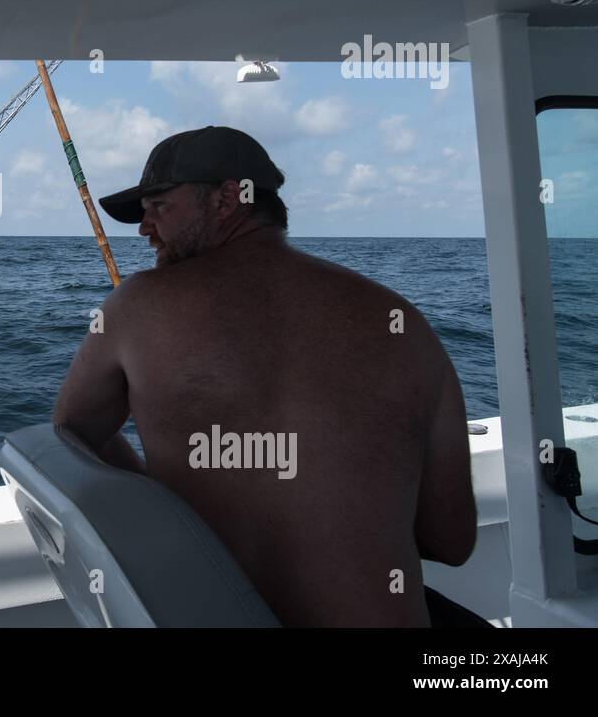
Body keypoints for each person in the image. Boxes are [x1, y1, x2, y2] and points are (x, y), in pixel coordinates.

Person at [52, 125, 478, 626]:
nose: (145, 228)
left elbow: (73, 431)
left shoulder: (136, 305)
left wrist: (167, 501)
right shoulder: (403, 322)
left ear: (228, 198)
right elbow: (450, 542)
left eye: (158, 206)